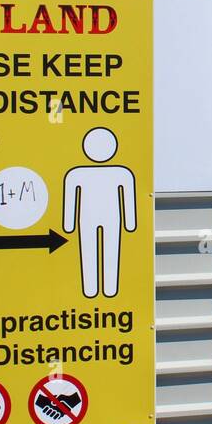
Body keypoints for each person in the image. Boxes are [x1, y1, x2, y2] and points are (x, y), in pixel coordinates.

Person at [62, 127, 136, 297]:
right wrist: (130, 223)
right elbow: (129, 200)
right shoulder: (121, 173)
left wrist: (69, 225)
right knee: (107, 250)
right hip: (110, 218)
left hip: (89, 219)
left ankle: (93, 289)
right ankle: (106, 289)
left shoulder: (77, 173)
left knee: (93, 250)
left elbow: (70, 201)